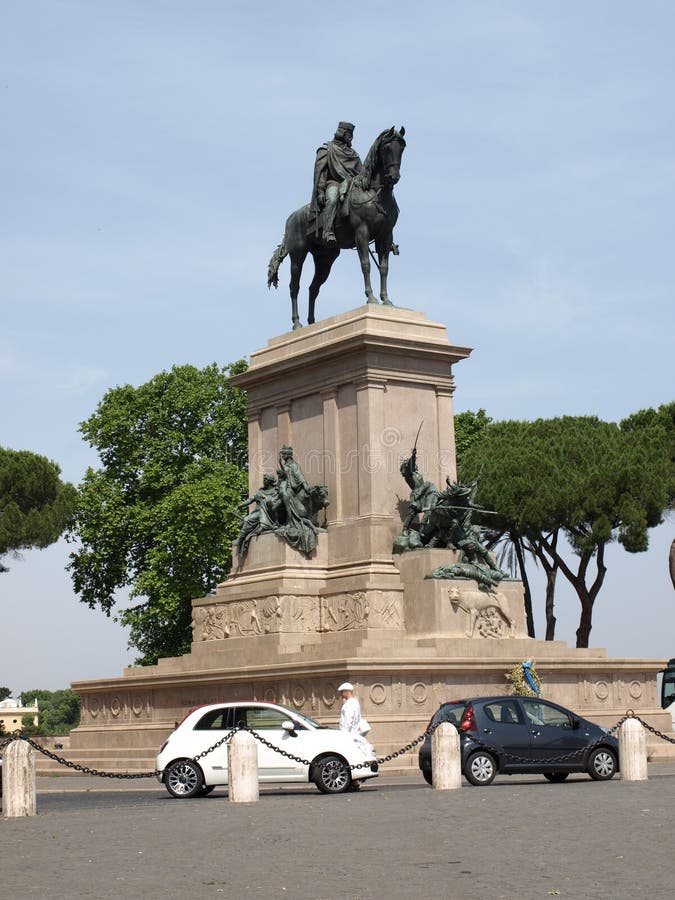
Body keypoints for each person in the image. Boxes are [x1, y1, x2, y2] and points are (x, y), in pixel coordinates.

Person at [310, 122, 363, 243]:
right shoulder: (327, 149)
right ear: (342, 133)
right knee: (333, 199)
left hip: (351, 185)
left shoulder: (353, 154)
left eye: (352, 135)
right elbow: (321, 173)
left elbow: (362, 173)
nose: (351, 138)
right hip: (333, 183)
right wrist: (320, 191)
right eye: (349, 135)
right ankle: (327, 231)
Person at [338, 681, 362, 790]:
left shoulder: (349, 704)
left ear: (347, 692)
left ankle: (354, 783)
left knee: (347, 759)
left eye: (342, 692)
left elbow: (348, 720)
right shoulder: (355, 703)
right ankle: (354, 782)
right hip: (354, 734)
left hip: (348, 735)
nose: (341, 694)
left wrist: (345, 735)